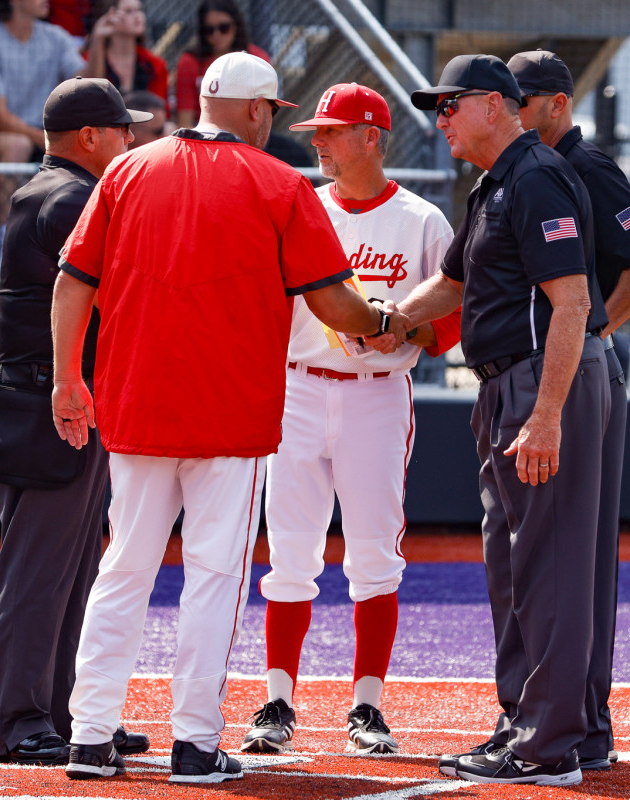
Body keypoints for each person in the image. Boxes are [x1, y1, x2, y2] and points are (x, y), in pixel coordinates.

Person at [50, 52, 406, 783]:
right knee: (213, 577)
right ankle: (193, 743)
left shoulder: (126, 170)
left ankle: (89, 736)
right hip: (230, 414)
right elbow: (334, 304)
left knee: (123, 570)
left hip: (138, 403)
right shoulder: (279, 183)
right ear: (256, 110)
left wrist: (65, 379)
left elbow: (73, 280)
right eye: (274, 111)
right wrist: (390, 321)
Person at [397, 54, 610, 786]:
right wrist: (389, 318)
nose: (441, 118)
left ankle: (550, 746)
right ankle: (525, 723)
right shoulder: (494, 183)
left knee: (547, 565)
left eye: (451, 104)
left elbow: (572, 302)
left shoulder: (536, 175)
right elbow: (452, 283)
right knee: (515, 565)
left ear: (495, 103)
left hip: (536, 387)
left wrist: (546, 414)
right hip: (503, 388)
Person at [240, 82, 457, 757]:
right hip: (299, 388)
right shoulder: (302, 208)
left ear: (373, 137)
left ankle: (368, 707)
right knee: (289, 552)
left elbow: (449, 322)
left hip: (375, 396)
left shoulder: (422, 220)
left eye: (333, 131)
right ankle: (278, 700)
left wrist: (409, 335)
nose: (320, 142)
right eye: (318, 133)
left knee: (373, 554)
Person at [498, 49, 630, 772]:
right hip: (565, 362)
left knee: (563, 553)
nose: (515, 110)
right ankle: (582, 725)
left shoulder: (579, 165)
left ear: (557, 103)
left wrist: (601, 326)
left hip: (571, 367)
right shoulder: (530, 169)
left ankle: (561, 728)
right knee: (570, 552)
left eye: (525, 98)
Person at [0, 77, 153, 766]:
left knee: (73, 572)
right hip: (53, 406)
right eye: (122, 129)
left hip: (49, 402)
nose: (132, 140)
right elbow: (118, 297)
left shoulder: (53, 191)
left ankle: (66, 714)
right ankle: (19, 721)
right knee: (40, 575)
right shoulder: (74, 198)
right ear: (90, 137)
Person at [0, 0, 90, 270]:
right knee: (16, 145)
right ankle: (8, 243)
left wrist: (102, 44)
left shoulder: (56, 36)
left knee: (89, 144)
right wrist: (45, 138)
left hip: (45, 135)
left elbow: (87, 84)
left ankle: (80, 250)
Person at [172, 0, 267, 129]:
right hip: (204, 134)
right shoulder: (190, 62)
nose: (216, 35)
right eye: (209, 30)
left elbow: (264, 114)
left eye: (224, 28)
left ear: (236, 26)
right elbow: (185, 122)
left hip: (247, 132)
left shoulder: (256, 59)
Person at [82, 0, 167, 104]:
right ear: (109, 16)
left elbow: (159, 109)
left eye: (140, 10)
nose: (138, 16)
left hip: (144, 120)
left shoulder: (153, 64)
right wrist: (98, 38)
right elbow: (89, 96)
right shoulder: (89, 59)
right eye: (129, 11)